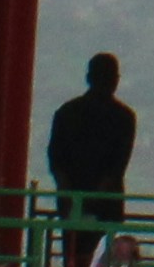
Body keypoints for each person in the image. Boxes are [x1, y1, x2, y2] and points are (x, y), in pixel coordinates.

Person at [47, 50, 141, 238]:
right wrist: (95, 198)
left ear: (88, 78)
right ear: (116, 80)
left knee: (73, 258)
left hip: (71, 202)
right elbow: (117, 166)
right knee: (104, 262)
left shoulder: (66, 112)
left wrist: (70, 195)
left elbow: (55, 159)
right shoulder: (124, 117)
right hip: (108, 205)